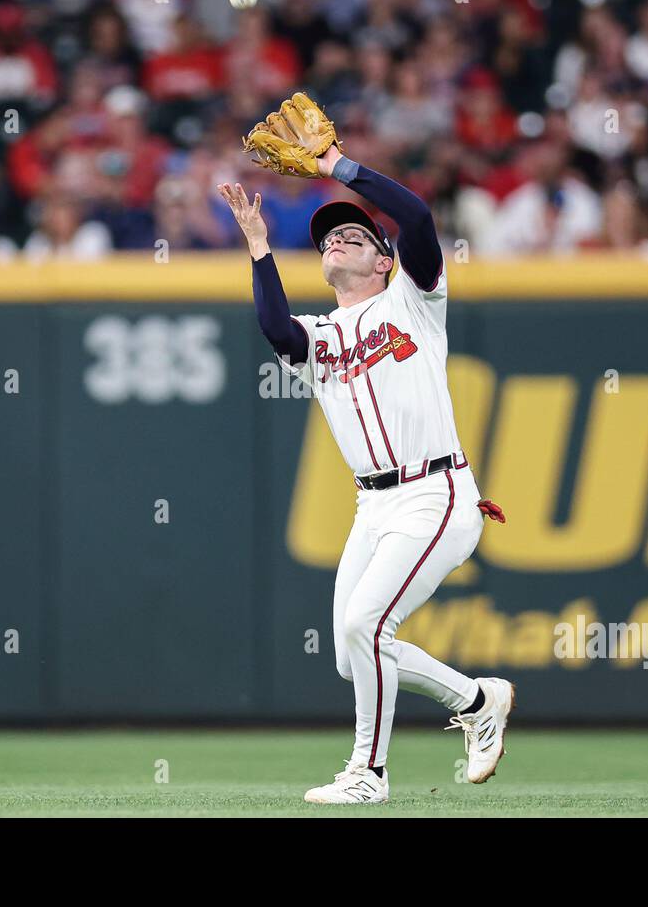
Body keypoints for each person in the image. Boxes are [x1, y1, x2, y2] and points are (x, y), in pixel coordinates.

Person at [218, 139, 514, 805]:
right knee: (352, 654)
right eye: (328, 239)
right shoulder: (320, 339)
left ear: (384, 261)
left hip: (435, 491)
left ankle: (368, 775)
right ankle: (475, 699)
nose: (337, 242)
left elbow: (414, 219)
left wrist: (337, 170)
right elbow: (275, 327)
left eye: (353, 235)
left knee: (367, 629)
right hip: (373, 507)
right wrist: (260, 246)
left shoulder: (415, 300)